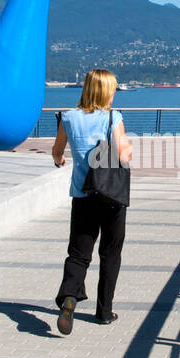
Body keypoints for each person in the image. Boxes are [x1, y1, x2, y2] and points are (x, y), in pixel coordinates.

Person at [52, 68, 132, 335]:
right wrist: (129, 146)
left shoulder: (68, 117)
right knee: (110, 254)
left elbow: (57, 151)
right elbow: (123, 155)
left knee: (78, 253)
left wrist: (59, 160)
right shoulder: (113, 117)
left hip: (83, 195)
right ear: (106, 91)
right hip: (111, 196)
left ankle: (69, 297)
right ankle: (104, 312)